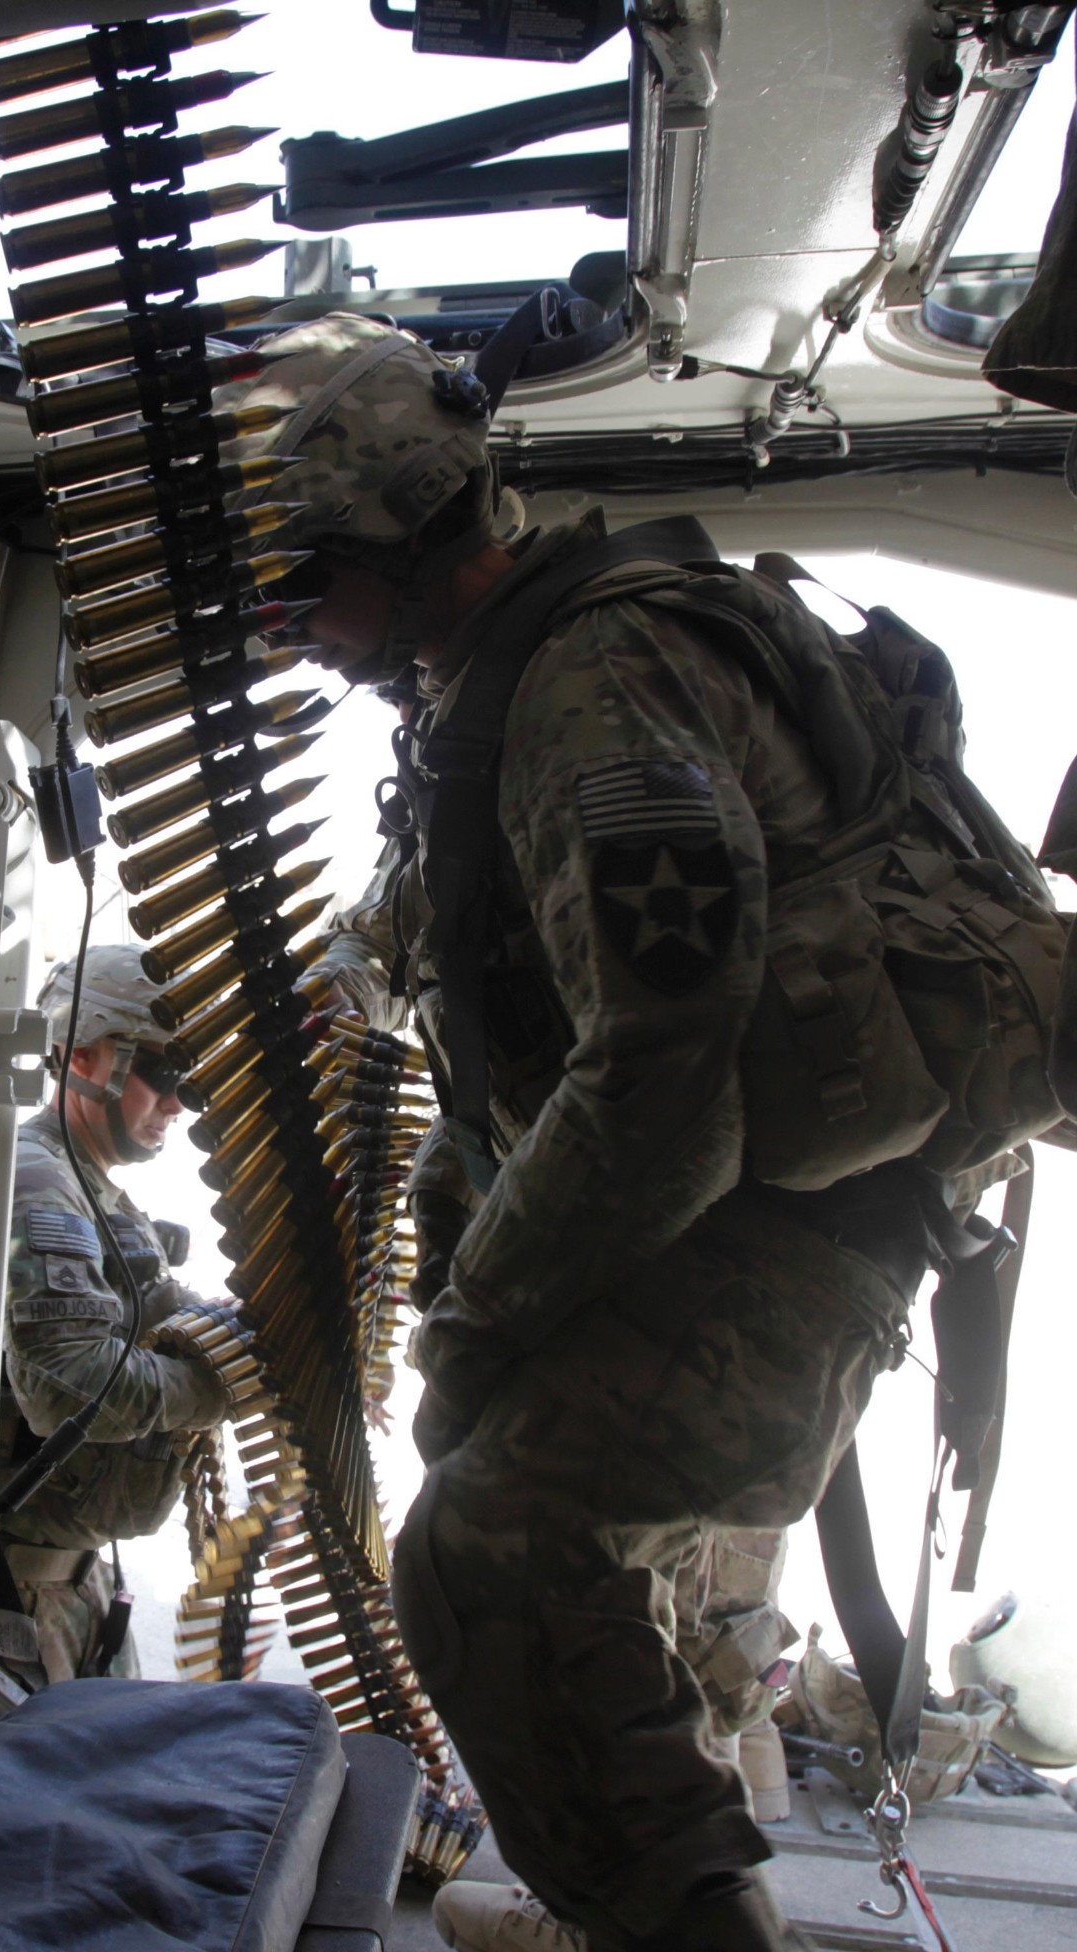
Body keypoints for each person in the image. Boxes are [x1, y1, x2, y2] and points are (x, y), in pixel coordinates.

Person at [216, 314, 1061, 1952]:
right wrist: (361, 976)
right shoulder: (510, 672)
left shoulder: (597, 683)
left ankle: (679, 1926)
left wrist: (475, 1320)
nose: (288, 631)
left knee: (484, 1547)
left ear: (395, 543)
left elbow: (663, 1081)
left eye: (298, 584)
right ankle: (656, 1888)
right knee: (544, 1535)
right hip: (742, 1199)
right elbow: (487, 924)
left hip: (791, 1221)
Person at [0, 946, 227, 1682]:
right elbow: (70, 1384)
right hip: (16, 1595)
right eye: (163, 1074)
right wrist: (217, 1386)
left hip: (73, 1584)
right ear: (80, 1057)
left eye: (187, 1078)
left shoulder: (93, 1188)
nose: (178, 1104)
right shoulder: (37, 1180)